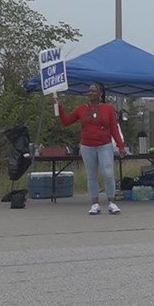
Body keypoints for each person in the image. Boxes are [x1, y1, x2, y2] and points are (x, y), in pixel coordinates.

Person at [55, 82, 126, 215]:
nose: (90, 93)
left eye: (93, 91)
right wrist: (59, 106)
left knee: (108, 173)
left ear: (100, 94)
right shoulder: (81, 109)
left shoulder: (108, 109)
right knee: (91, 175)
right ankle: (95, 203)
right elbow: (66, 121)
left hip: (104, 145)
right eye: (89, 91)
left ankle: (111, 202)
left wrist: (121, 146)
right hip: (87, 146)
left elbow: (114, 129)